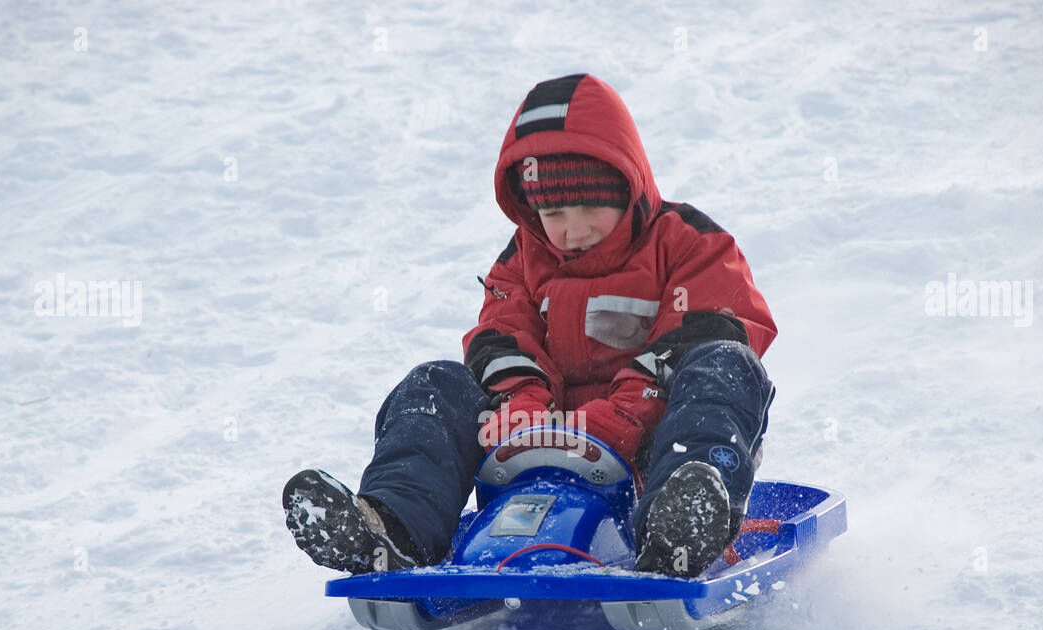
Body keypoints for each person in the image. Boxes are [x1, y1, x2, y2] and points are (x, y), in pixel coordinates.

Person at [283, 73, 777, 578]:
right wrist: (521, 405)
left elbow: (706, 331)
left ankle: (682, 524)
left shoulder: (690, 244)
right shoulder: (523, 258)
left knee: (725, 364)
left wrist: (623, 418)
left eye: (591, 207)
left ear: (628, 189)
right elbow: (501, 337)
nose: (574, 230)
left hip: (648, 455)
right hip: (534, 446)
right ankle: (392, 526)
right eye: (555, 212)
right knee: (437, 383)